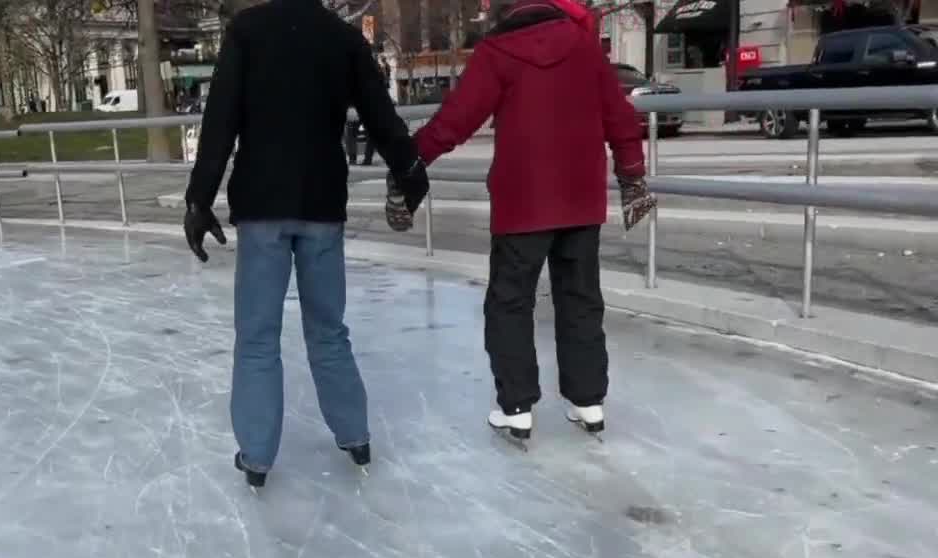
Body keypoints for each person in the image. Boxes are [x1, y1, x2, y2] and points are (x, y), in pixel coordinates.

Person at [182, 0, 430, 489]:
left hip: (262, 206)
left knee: (257, 337)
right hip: (320, 203)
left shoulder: (247, 32)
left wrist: (199, 198)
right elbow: (381, 115)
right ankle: (355, 434)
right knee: (327, 330)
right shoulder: (340, 37)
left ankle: (256, 455)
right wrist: (409, 170)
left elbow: (220, 120)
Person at [403, 0, 654, 441]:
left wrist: (412, 156)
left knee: (510, 301)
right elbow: (618, 115)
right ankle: (588, 400)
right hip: (580, 199)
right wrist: (632, 171)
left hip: (523, 203)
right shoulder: (584, 46)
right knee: (579, 298)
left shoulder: (497, 51)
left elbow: (457, 118)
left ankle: (517, 407)